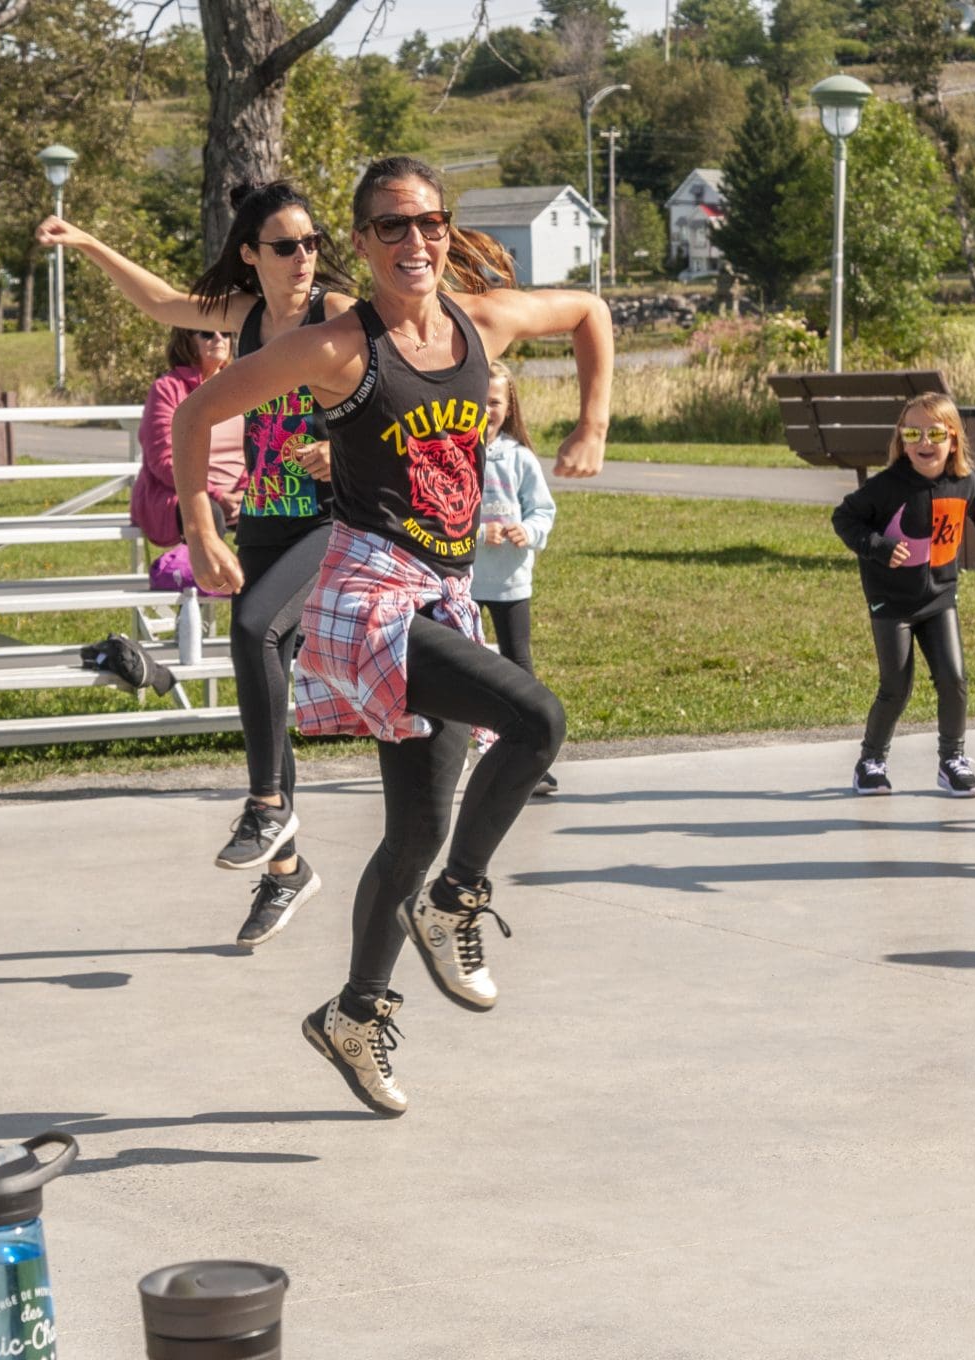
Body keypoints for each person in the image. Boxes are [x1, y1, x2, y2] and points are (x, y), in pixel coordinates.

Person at [167, 155, 611, 1116]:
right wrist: (200, 525)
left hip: (442, 592)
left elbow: (588, 312)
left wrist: (594, 422)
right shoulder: (337, 346)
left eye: (430, 223)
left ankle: (354, 1012)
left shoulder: (481, 322)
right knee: (537, 720)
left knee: (416, 829)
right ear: (363, 243)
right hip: (368, 597)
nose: (416, 241)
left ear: (446, 230)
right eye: (393, 227)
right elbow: (199, 411)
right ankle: (456, 901)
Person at [40, 183, 357, 947]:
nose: (304, 257)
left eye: (312, 243)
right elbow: (160, 302)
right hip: (265, 518)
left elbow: (395, 387)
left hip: (333, 516)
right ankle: (286, 870)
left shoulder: (339, 311)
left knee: (251, 630)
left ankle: (267, 805)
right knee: (263, 664)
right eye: (286, 246)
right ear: (251, 254)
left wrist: (342, 446)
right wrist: (89, 244)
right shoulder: (244, 316)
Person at [832, 392, 975, 798]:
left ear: (953, 440)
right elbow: (844, 518)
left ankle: (952, 760)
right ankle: (870, 761)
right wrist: (877, 547)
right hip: (891, 603)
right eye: (913, 433)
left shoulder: (965, 483)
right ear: (901, 440)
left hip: (939, 598)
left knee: (954, 679)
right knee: (896, 686)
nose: (924, 442)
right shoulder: (886, 486)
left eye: (935, 433)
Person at [471, 360, 560, 795]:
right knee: (462, 668)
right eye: (478, 401)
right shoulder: (454, 453)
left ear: (509, 407)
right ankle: (455, 750)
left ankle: (530, 760)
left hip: (510, 581)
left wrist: (529, 530)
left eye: (494, 402)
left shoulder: (519, 458)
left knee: (518, 665)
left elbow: (543, 510)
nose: (486, 410)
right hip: (464, 583)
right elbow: (438, 511)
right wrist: (477, 532)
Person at [134, 325, 243, 587]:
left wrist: (245, 491)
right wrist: (216, 494)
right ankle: (198, 602)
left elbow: (255, 447)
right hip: (177, 495)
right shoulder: (167, 389)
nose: (219, 338)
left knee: (274, 510)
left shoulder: (240, 387)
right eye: (207, 333)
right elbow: (163, 461)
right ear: (186, 341)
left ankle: (257, 595)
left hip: (237, 496)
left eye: (226, 333)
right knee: (207, 513)